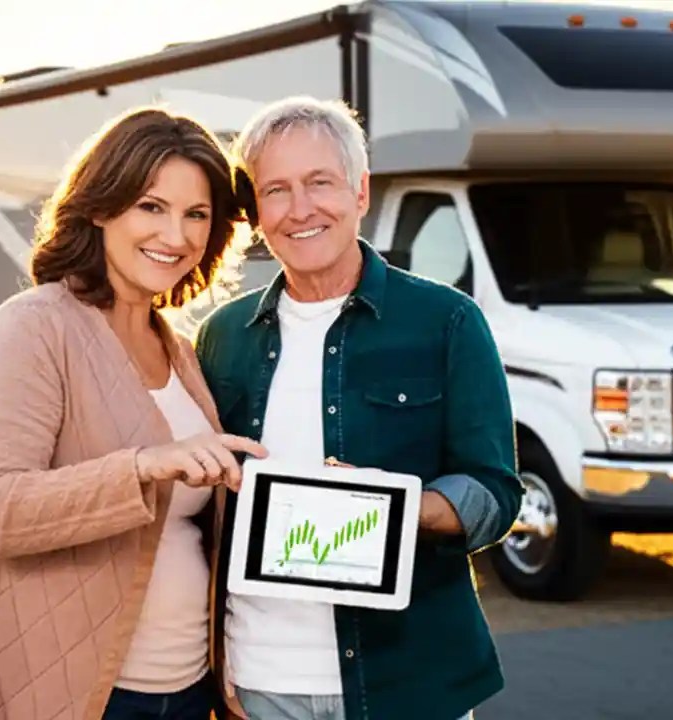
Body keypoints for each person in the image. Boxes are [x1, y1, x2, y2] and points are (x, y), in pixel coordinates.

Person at [0, 107, 267, 720]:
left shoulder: (181, 351)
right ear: (100, 206)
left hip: (188, 690)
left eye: (197, 215)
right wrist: (142, 467)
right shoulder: (33, 327)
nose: (177, 236)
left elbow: (188, 533)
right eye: (151, 206)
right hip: (87, 696)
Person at [195, 96, 523, 720]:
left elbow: (496, 492)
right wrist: (216, 658)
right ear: (257, 211)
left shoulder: (447, 322)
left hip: (411, 679)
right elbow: (209, 515)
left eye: (320, 182)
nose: (300, 210)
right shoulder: (223, 337)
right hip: (263, 680)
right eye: (276, 190)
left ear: (360, 191)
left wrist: (401, 508)